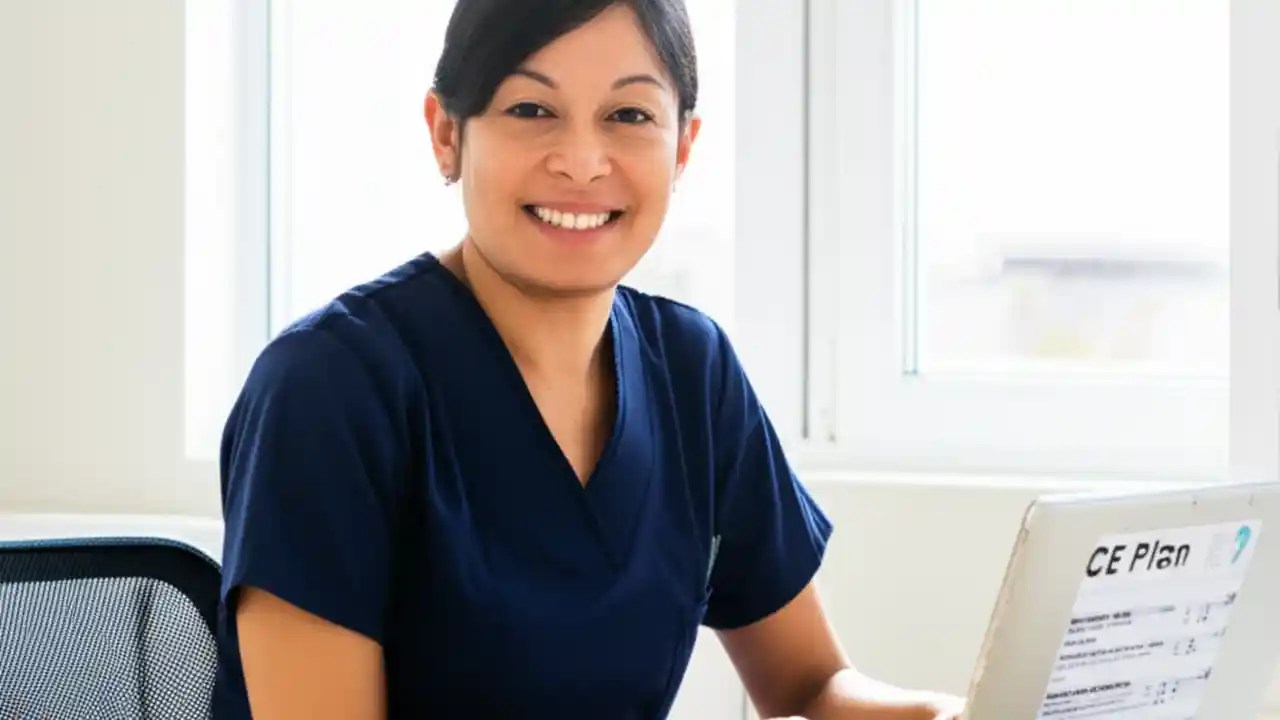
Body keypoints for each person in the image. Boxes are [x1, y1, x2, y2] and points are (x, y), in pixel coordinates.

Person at [213, 1, 966, 718]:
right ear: (446, 133)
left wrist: (956, 714)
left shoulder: (691, 372)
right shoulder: (328, 389)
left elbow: (810, 688)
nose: (580, 161)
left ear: (684, 147)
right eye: (531, 110)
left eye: (629, 115)